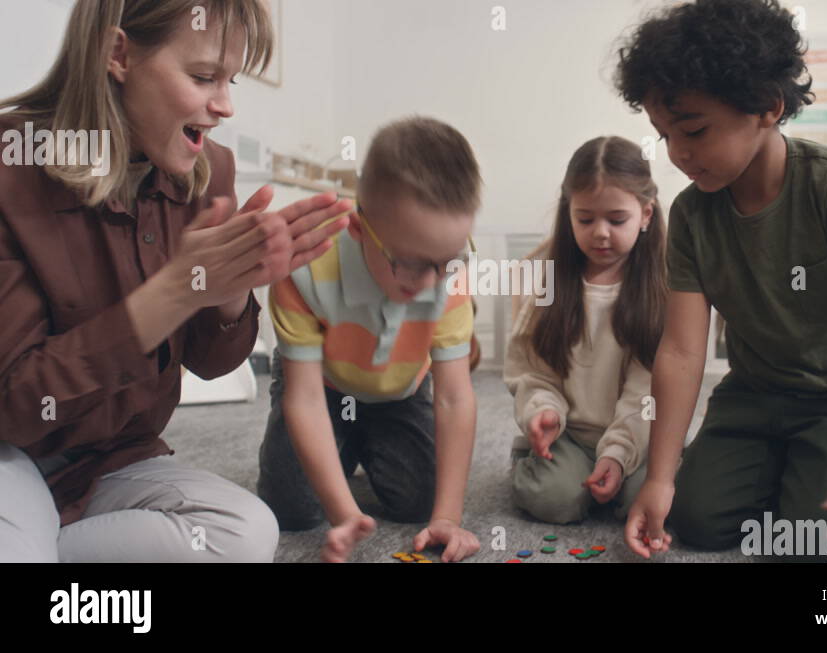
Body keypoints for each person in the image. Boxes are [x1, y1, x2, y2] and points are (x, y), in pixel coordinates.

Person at [0, 0, 350, 562]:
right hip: (10, 448)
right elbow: (16, 404)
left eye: (231, 79)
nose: (226, 105)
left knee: (245, 532)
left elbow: (213, 363)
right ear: (118, 54)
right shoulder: (11, 163)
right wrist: (172, 294)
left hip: (115, 458)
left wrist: (232, 289)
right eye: (203, 76)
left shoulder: (210, 170)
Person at [616, 0, 827, 560]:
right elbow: (684, 350)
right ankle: (785, 466)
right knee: (695, 519)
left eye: (693, 130)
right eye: (664, 135)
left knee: (812, 544)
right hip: (755, 393)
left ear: (768, 105)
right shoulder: (691, 214)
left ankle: (815, 467)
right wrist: (661, 477)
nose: (678, 153)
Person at [259, 117, 482, 563]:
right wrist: (344, 515)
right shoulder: (305, 266)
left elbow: (456, 397)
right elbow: (302, 401)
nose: (430, 282)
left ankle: (362, 438)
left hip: (399, 388)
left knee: (420, 504)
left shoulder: (445, 271)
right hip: (323, 387)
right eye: (411, 263)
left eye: (446, 262)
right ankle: (345, 439)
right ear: (359, 230)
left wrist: (449, 518)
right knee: (293, 510)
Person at [504, 136, 668, 525]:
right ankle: (540, 463)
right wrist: (542, 412)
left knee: (644, 501)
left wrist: (617, 453)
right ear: (568, 212)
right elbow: (533, 372)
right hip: (569, 436)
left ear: (645, 214)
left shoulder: (663, 288)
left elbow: (648, 392)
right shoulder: (547, 280)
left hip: (638, 436)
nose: (600, 233)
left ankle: (614, 471)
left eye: (616, 219)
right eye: (586, 219)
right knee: (553, 499)